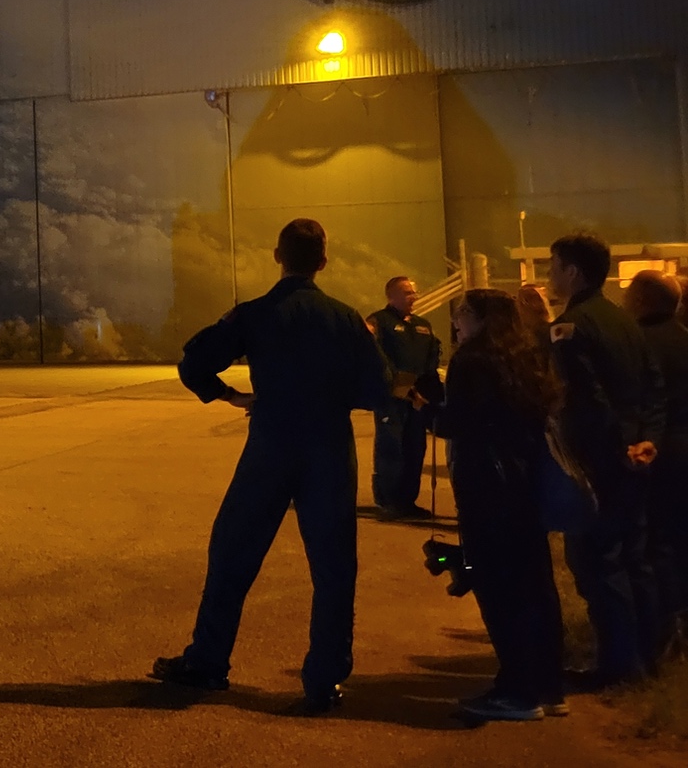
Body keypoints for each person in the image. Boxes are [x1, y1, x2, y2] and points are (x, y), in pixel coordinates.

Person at [152, 218, 391, 713]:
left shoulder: (255, 315)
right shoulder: (346, 319)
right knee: (333, 567)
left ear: (278, 256)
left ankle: (208, 662)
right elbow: (376, 388)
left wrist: (232, 396)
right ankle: (323, 680)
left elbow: (193, 361)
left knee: (232, 553)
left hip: (271, 446)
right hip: (328, 448)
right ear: (323, 262)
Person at [433, 289, 567, 721]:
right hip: (524, 483)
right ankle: (548, 686)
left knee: (500, 589)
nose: (456, 321)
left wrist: (428, 410)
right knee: (535, 585)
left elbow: (456, 422)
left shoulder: (471, 361)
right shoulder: (526, 357)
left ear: (482, 318)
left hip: (487, 486)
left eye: (462, 313)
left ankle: (516, 691)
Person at [546, 234, 666, 686]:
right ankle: (647, 657)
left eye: (554, 266)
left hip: (600, 463)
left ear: (573, 271)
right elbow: (653, 386)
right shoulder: (623, 320)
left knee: (598, 562)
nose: (550, 275)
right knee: (635, 558)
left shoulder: (572, 326)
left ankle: (618, 665)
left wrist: (618, 448)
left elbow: (589, 400)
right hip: (637, 458)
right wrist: (647, 441)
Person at [625, 270, 688, 650]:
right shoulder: (684, 339)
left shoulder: (639, 343)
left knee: (656, 541)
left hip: (659, 453)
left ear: (643, 300)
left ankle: (665, 628)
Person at [369, 276, 442, 519]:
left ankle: (407, 501)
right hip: (392, 398)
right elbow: (375, 356)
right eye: (408, 293)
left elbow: (432, 358)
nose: (414, 297)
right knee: (391, 448)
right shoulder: (380, 321)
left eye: (414, 292)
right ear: (391, 296)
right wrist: (395, 383)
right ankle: (388, 501)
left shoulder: (424, 325)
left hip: (418, 399)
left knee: (415, 448)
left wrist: (428, 390)